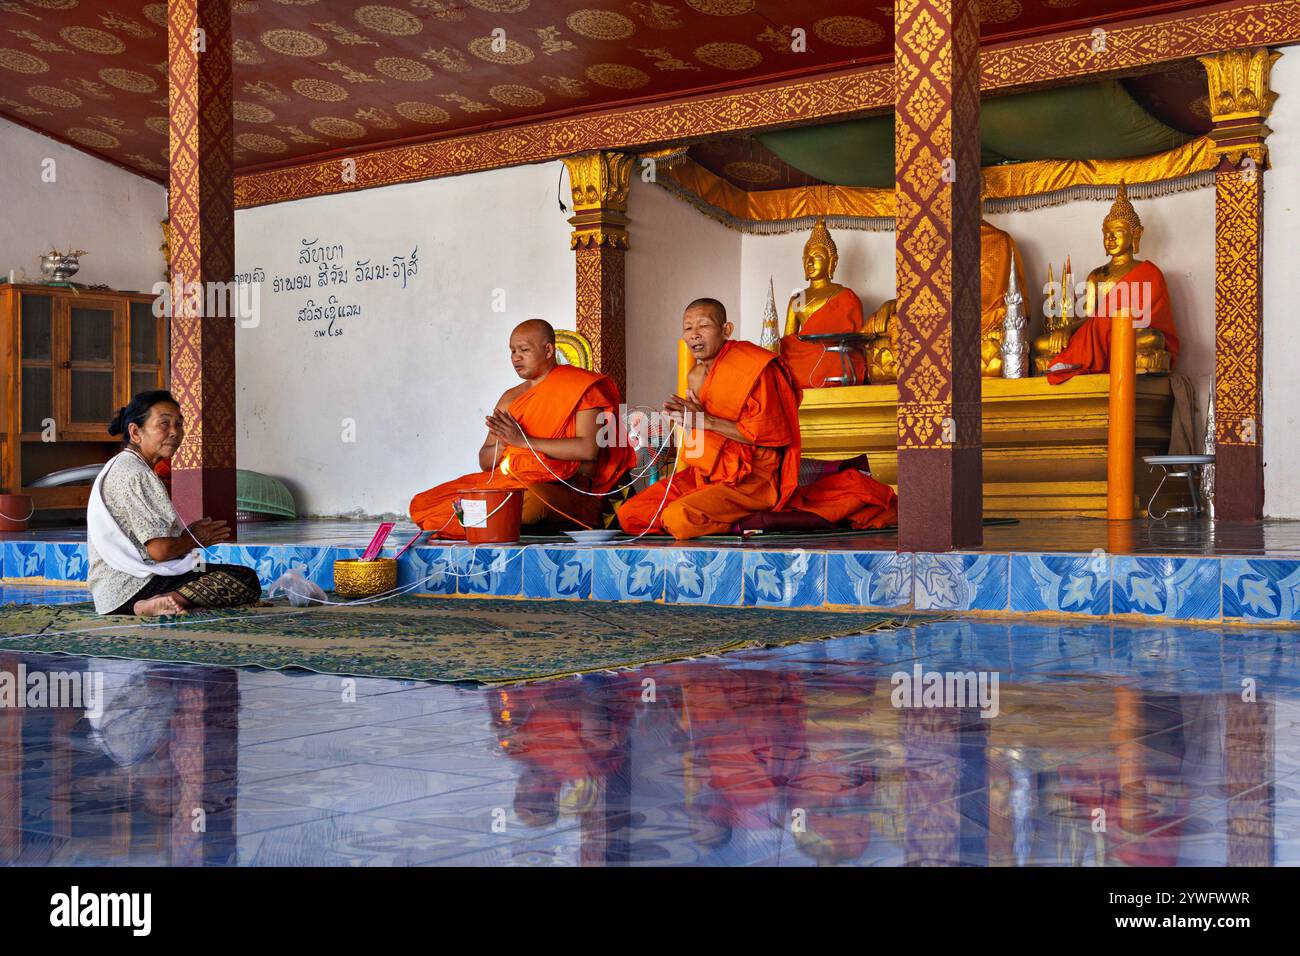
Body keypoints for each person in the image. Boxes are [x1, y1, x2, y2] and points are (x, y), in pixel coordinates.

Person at [409, 319, 635, 537]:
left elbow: (587, 449)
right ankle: (490, 518)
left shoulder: (580, 387)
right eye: (512, 351)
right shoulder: (510, 398)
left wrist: (523, 440)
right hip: (511, 481)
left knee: (528, 502)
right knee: (424, 503)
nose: (516, 357)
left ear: (548, 351)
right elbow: (486, 461)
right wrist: (505, 444)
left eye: (524, 350)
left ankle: (485, 519)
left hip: (564, 488)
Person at [617, 299, 803, 539]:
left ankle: (729, 522)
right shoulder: (695, 377)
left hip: (750, 481)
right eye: (688, 328)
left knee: (678, 517)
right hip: (703, 476)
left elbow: (772, 437)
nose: (694, 334)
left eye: (703, 325)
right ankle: (705, 518)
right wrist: (683, 424)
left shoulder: (753, 368)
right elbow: (700, 442)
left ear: (726, 330)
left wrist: (707, 421)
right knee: (630, 514)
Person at [87, 390, 261, 616]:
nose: (174, 432)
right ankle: (162, 601)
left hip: (109, 594)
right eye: (164, 424)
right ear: (135, 432)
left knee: (224, 577)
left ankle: (163, 602)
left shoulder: (123, 466)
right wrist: (194, 539)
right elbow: (160, 551)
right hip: (133, 587)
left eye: (179, 424)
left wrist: (188, 537)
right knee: (245, 579)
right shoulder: (138, 474)